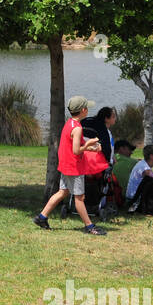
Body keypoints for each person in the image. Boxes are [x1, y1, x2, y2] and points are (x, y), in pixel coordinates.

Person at [33, 95, 105, 235]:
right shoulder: (78, 128)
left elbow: (74, 144)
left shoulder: (70, 123)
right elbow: (76, 150)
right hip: (74, 167)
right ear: (83, 110)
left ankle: (42, 217)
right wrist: (90, 144)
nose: (88, 110)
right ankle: (90, 227)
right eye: (87, 108)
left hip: (66, 165)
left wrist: (91, 148)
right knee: (79, 197)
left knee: (63, 192)